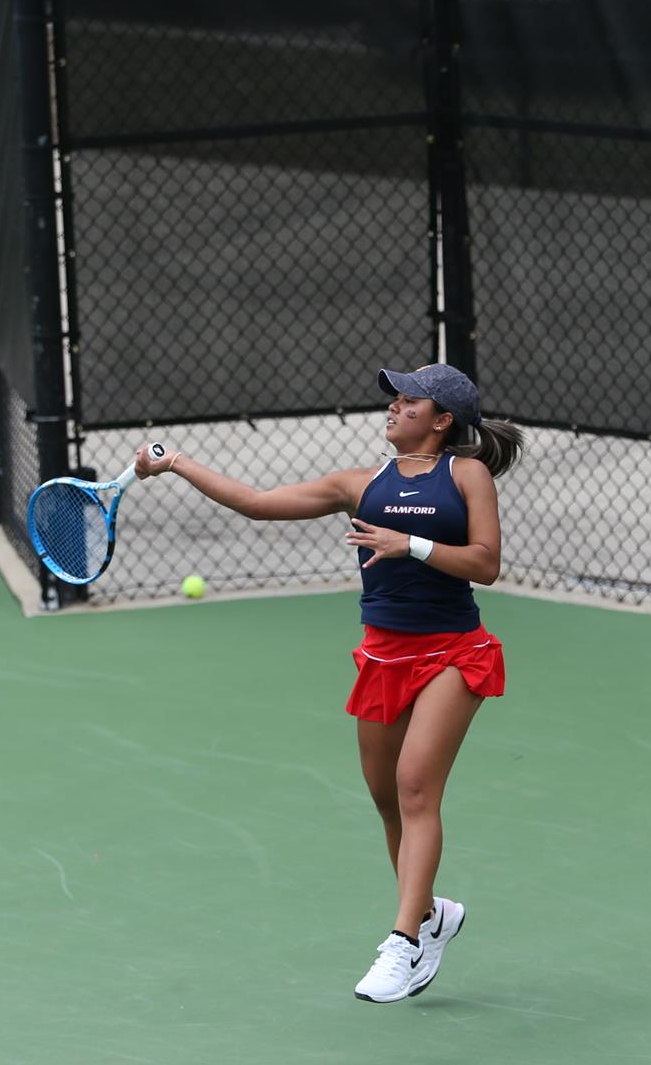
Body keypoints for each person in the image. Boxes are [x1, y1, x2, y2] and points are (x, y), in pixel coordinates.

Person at [134, 363, 524, 1003]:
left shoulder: (468, 475)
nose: (394, 406)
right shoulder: (359, 483)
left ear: (443, 420)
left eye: (409, 400)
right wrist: (176, 461)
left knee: (415, 787)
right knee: (386, 801)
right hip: (383, 656)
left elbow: (486, 563)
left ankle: (402, 944)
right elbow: (258, 505)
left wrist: (413, 544)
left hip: (455, 653)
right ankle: (430, 916)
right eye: (395, 398)